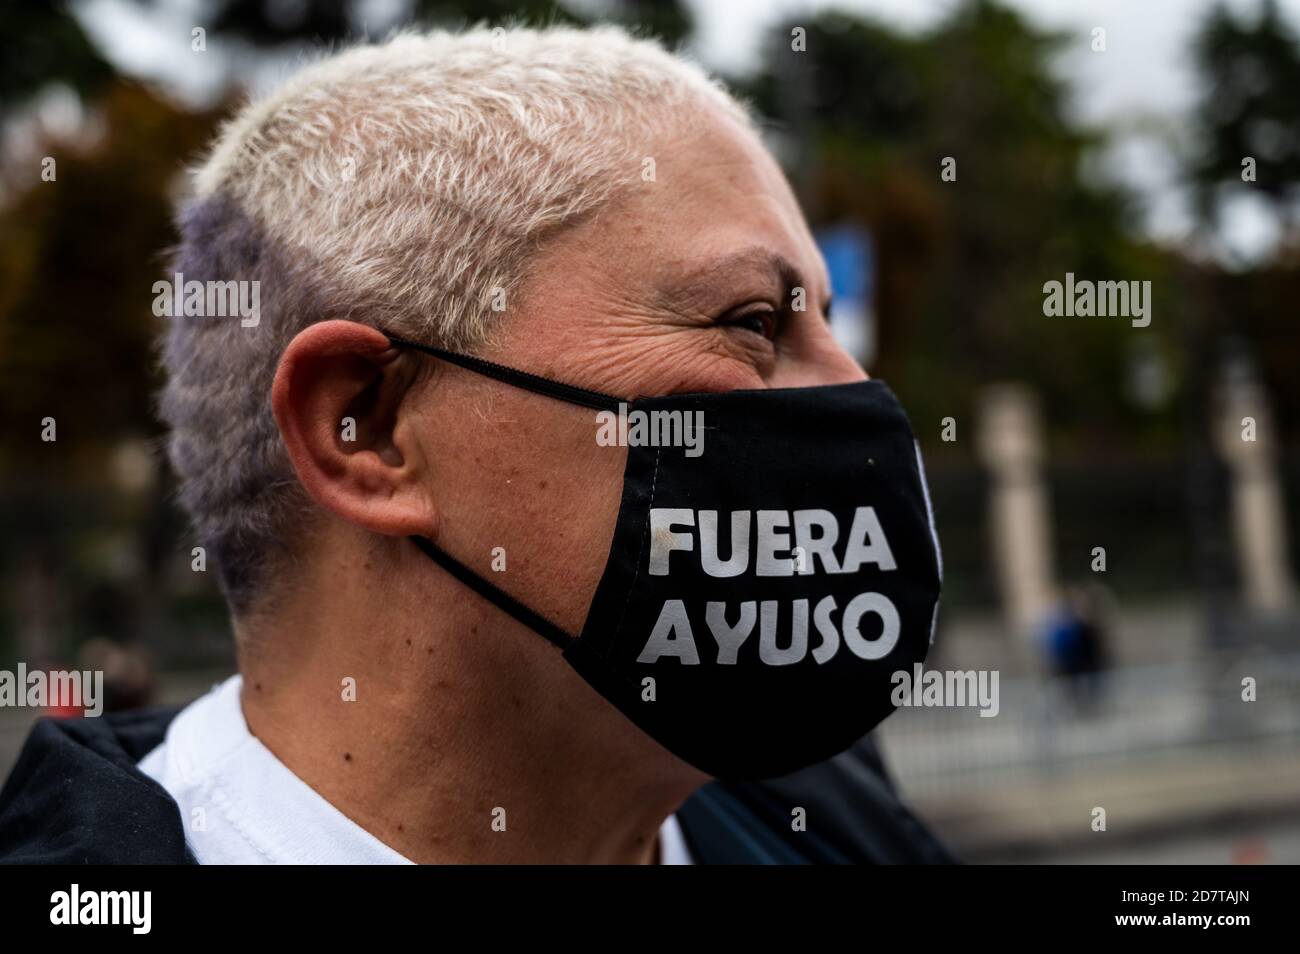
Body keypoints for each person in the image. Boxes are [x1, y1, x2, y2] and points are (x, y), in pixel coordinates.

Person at [0, 25, 949, 864]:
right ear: (365, 426)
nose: (860, 392)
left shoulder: (839, 829)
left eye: (828, 323)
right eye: (751, 321)